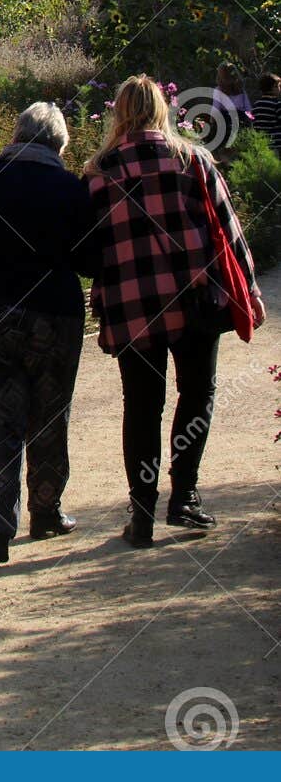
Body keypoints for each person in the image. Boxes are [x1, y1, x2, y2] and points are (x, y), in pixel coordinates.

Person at [84, 75, 266, 549]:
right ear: (164, 110)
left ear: (119, 113)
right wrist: (249, 290)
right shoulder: (194, 160)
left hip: (131, 305)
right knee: (197, 394)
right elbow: (228, 232)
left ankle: (141, 512)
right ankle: (183, 497)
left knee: (142, 407)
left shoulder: (98, 172)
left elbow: (87, 249)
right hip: (195, 301)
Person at [0, 102, 96, 568]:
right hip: (55, 318)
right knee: (50, 418)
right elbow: (90, 261)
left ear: (16, 134)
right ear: (59, 145)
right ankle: (46, 512)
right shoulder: (71, 188)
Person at [211, 62, 253, 150]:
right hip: (241, 120)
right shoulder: (241, 90)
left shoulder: (218, 90)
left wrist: (212, 123)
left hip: (225, 121)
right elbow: (248, 109)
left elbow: (216, 110)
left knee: (223, 149)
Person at [250, 72, 281, 160]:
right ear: (272, 88)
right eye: (278, 86)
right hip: (277, 145)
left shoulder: (256, 105)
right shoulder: (277, 104)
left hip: (263, 144)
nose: (279, 89)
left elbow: (254, 123)